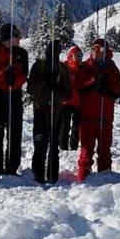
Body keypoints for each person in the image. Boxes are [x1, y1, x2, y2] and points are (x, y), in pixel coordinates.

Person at [72, 39, 120, 180]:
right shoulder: (85, 66)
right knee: (86, 151)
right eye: (94, 48)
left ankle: (105, 179)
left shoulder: (111, 68)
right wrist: (93, 83)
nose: (96, 52)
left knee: (105, 151)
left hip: (105, 117)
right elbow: (78, 86)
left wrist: (108, 88)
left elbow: (118, 91)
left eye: (100, 50)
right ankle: (83, 179)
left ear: (106, 52)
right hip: (87, 116)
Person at [0, 24, 28, 175]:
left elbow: (23, 75)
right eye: (17, 36)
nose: (19, 40)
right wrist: (4, 74)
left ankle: (12, 166)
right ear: (8, 38)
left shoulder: (22, 53)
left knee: (15, 133)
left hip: (14, 95)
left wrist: (13, 81)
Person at [28, 41, 72, 184]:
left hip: (56, 111)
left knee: (54, 146)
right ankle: (37, 176)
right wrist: (45, 82)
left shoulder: (63, 69)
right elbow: (30, 88)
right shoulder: (38, 66)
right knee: (40, 145)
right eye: (50, 50)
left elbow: (67, 93)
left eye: (56, 51)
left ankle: (53, 176)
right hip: (40, 110)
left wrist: (56, 90)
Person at [58, 44, 83, 150]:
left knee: (76, 126)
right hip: (66, 102)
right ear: (70, 56)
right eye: (76, 55)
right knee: (64, 124)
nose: (79, 58)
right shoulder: (64, 67)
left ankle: (74, 145)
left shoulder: (82, 68)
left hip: (78, 102)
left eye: (80, 56)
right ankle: (62, 144)